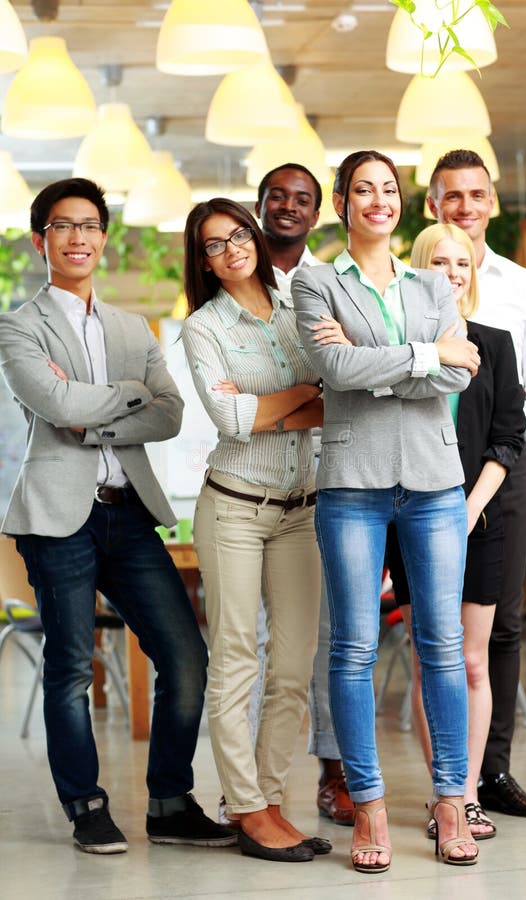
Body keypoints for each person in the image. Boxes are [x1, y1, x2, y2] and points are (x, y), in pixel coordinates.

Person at [0, 177, 236, 854]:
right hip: (57, 519)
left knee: (186, 657)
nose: (79, 238)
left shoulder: (132, 328)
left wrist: (99, 406)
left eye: (90, 226)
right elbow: (56, 406)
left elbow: (169, 413)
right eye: (64, 226)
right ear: (41, 238)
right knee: (72, 668)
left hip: (128, 513)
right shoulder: (19, 325)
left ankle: (169, 801)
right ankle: (86, 805)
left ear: (104, 237)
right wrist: (116, 403)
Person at [292, 150, 481, 873]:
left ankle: (450, 802)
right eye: (364, 189)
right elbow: (335, 372)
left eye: (389, 189)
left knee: (440, 646)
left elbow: (463, 367)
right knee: (353, 649)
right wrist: (423, 356)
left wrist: (398, 360)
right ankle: (366, 803)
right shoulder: (315, 282)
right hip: (352, 485)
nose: (379, 200)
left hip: (434, 484)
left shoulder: (434, 282)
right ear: (342, 202)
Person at [180, 197, 327, 864]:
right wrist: (302, 395)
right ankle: (244, 806)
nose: (232, 248)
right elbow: (233, 420)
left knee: (293, 666)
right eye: (215, 244)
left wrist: (270, 403)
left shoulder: (304, 304)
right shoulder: (204, 328)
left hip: (302, 511)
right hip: (235, 506)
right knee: (238, 658)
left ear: (256, 237)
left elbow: (341, 394)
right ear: (204, 263)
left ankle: (268, 800)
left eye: (238, 233)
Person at [427, 149, 526, 818]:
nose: (466, 206)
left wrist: (489, 469)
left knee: (502, 627)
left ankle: (491, 775)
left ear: (493, 202)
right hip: (425, 475)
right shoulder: (416, 276)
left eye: (477, 195)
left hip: (504, 471)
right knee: (438, 633)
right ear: (433, 204)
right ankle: (451, 782)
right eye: (453, 195)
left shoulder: (525, 286)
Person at [387, 223, 526, 841]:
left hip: (480, 519)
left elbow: (508, 439)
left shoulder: (495, 345)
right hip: (411, 516)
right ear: (419, 272)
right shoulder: (400, 348)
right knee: (427, 661)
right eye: (438, 262)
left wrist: (469, 509)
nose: (452, 273)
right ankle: (446, 793)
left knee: (471, 660)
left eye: (462, 263)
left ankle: (466, 796)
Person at [255, 162, 354, 827]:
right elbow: (228, 399)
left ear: (318, 214)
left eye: (302, 200)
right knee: (262, 643)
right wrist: (287, 404)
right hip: (257, 483)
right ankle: (261, 787)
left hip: (329, 481)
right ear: (258, 205)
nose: (289, 207)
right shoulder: (236, 284)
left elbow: (347, 385)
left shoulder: (334, 285)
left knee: (332, 635)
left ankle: (335, 770)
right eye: (277, 197)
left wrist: (272, 405)